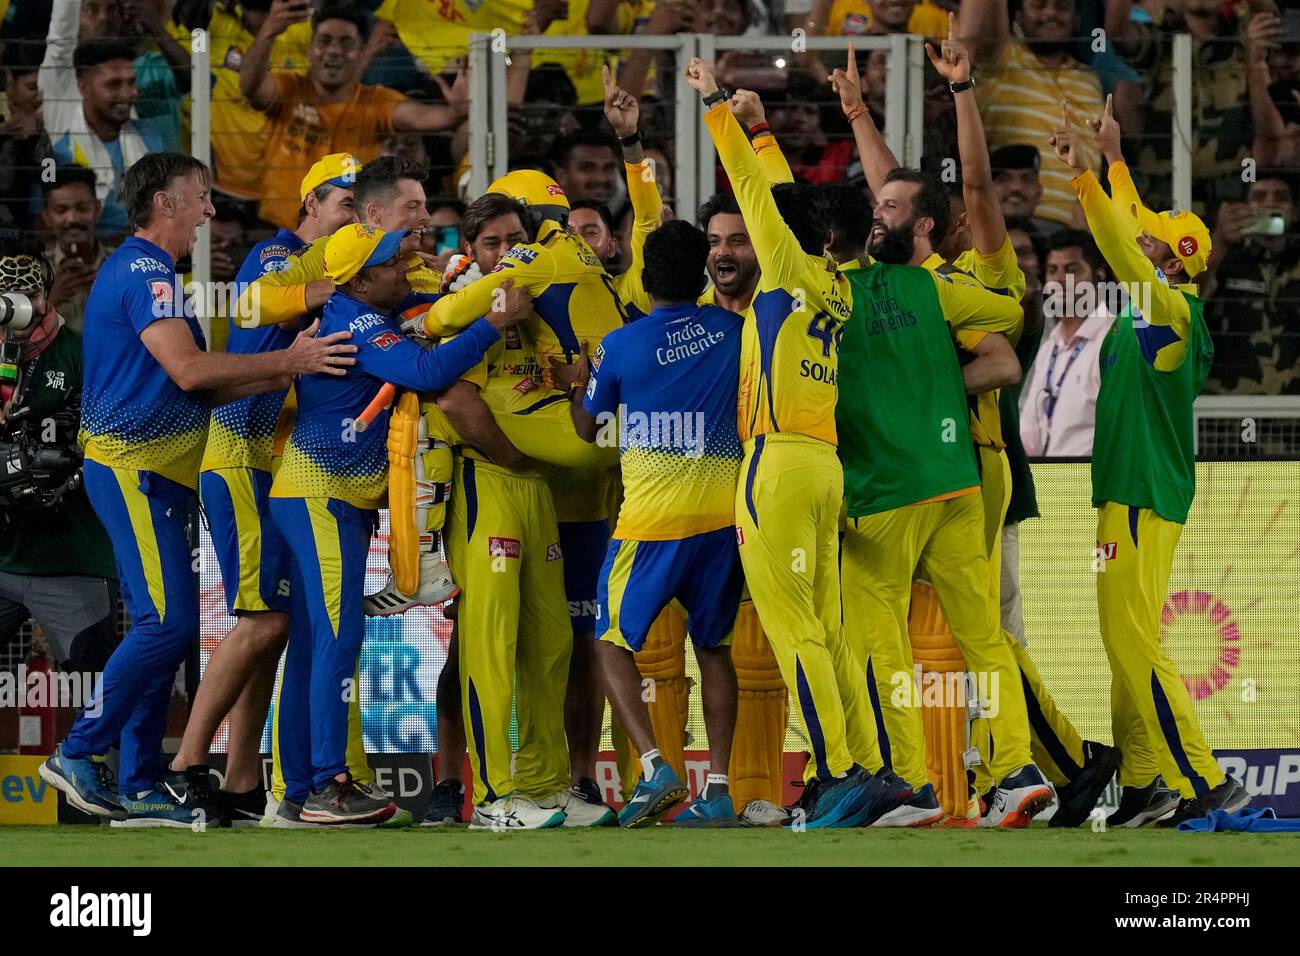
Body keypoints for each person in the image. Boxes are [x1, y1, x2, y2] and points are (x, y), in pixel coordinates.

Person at [832, 34, 1118, 826]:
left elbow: (972, 188)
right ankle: (1026, 767)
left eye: (897, 213)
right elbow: (899, 194)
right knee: (981, 634)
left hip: (971, 465)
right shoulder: (907, 276)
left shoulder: (981, 276)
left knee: (980, 630)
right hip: (939, 468)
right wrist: (858, 114)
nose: (879, 214)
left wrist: (962, 92)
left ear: (947, 226)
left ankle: (1028, 766)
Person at [38, 152, 356, 827]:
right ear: (165, 202)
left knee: (167, 631)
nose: (211, 212)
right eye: (202, 197)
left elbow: (202, 384)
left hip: (162, 478)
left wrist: (280, 374)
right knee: (167, 624)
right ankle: (78, 751)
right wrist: (288, 359)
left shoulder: (147, 273)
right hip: (134, 472)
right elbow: (188, 371)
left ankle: (143, 783)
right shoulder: (147, 270)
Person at [685, 58, 907, 829]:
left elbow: (757, 196)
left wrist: (718, 105)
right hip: (825, 467)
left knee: (794, 632)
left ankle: (840, 772)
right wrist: (759, 126)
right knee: (832, 631)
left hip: (774, 465)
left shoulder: (781, 267)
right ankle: (866, 769)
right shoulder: (839, 281)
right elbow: (784, 202)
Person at [266, 222, 520, 825]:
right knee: (337, 638)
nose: (403, 268)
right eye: (391, 264)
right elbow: (429, 374)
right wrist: (494, 324)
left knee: (311, 645)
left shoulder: (364, 311)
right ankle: (328, 787)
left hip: (326, 498)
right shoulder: (356, 322)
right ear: (358, 279)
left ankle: (296, 790)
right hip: (320, 497)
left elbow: (418, 313)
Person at [1052, 95, 1251, 828]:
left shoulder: (1168, 314)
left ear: (1172, 259)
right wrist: (1113, 160)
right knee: (1126, 640)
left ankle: (1203, 777)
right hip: (1133, 497)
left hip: (1138, 496)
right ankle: (1142, 786)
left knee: (1131, 639)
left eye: (1158, 242)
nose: (1146, 240)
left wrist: (1084, 184)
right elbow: (1133, 226)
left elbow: (1118, 240)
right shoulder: (1160, 303)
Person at [166, 153, 362, 826]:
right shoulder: (273, 258)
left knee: (277, 626)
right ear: (311, 205)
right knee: (265, 620)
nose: (354, 220)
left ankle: (245, 780)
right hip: (242, 455)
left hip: (280, 467)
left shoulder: (325, 268)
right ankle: (188, 765)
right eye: (345, 206)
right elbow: (282, 301)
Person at [556, 219, 746, 828]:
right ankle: (717, 787)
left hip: (651, 524)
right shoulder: (737, 332)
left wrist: (576, 385)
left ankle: (657, 764)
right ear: (701, 276)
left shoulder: (620, 343)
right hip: (723, 520)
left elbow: (587, 429)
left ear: (645, 277)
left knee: (610, 641)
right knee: (714, 649)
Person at [239, 0, 468, 229]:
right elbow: (250, 87)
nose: (334, 50)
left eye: (346, 42)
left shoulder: (376, 101)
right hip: (278, 231)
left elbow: (425, 117)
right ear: (310, 51)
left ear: (361, 53)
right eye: (324, 40)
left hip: (348, 239)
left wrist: (456, 110)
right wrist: (268, 32)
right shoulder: (289, 89)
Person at [0, 237, 118, 679]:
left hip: (73, 554)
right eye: (7, 295)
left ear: (47, 291)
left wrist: (71, 461)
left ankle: (90, 753)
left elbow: (114, 443)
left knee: (103, 688)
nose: (20, 309)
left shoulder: (83, 354)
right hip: (3, 554)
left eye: (29, 294)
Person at [963, 0, 1107, 227]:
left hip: (1075, 234)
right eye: (1038, 5)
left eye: (1062, 7)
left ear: (1077, 19)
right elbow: (982, 25)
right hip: (1008, 222)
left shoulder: (1090, 80)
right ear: (1018, 15)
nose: (1050, 13)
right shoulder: (1001, 58)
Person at [48, 39, 169, 239]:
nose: (129, 93)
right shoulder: (63, 153)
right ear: (83, 88)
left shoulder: (150, 137)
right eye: (114, 84)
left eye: (131, 82)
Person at [1020, 229, 1116, 457]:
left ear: (1099, 276)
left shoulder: (1113, 339)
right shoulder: (1049, 347)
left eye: (1072, 270)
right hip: (1049, 481)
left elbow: (1121, 428)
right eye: (1053, 270)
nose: (1060, 279)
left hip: (1094, 483)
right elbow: (1030, 428)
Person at [39, 167, 112, 334]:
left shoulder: (125, 265)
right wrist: (51, 301)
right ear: (47, 217)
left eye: (82, 207)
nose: (72, 218)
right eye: (61, 210)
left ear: (97, 210)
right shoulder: (32, 271)